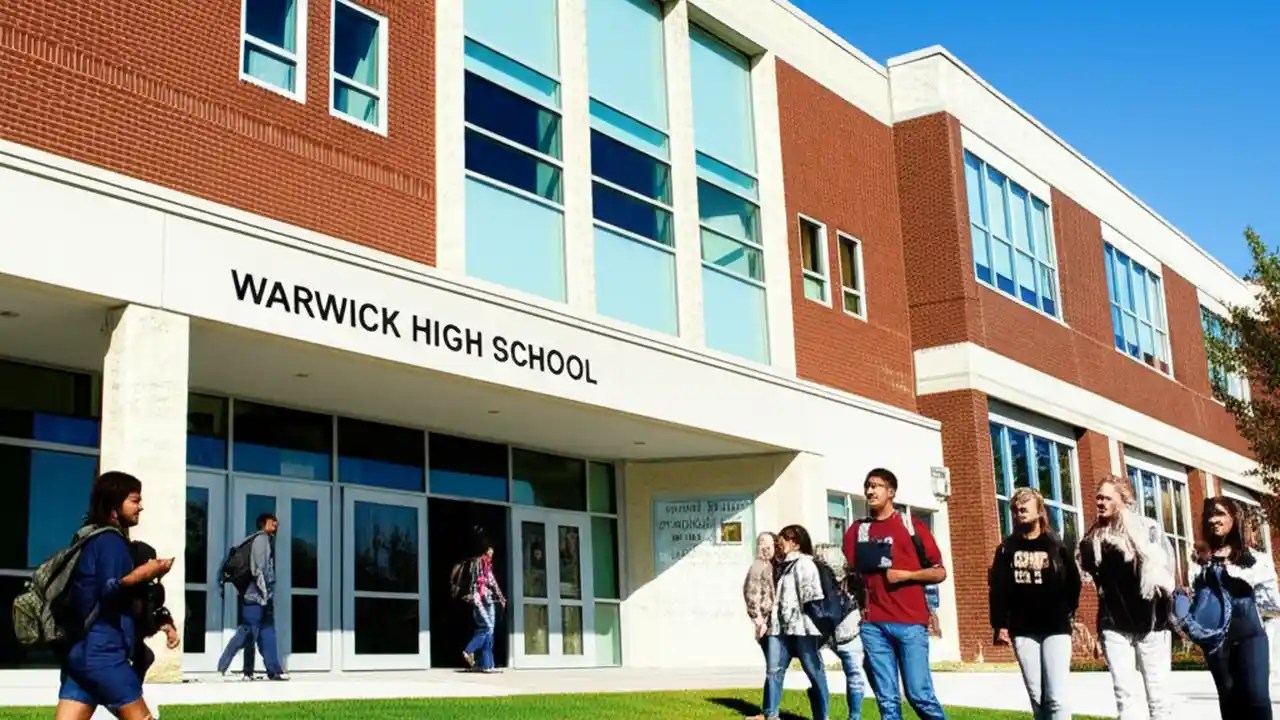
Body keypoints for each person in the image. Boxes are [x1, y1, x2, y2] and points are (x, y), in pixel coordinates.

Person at [55, 471, 173, 720]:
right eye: (134, 500)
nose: (140, 507)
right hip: (104, 652)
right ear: (113, 505)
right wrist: (148, 571)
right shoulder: (111, 541)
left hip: (79, 651)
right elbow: (111, 589)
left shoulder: (90, 539)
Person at [843, 468, 947, 720]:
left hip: (911, 623)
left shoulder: (911, 527)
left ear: (891, 492)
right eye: (867, 486)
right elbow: (853, 572)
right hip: (873, 625)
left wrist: (906, 575)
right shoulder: (858, 531)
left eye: (876, 486)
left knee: (919, 694)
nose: (870, 491)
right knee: (887, 701)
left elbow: (939, 572)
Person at [1078, 475, 1176, 720]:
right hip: (1114, 624)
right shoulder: (1093, 539)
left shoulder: (1147, 529)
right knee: (1125, 696)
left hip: (1152, 623)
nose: (1100, 502)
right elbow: (1092, 576)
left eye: (1107, 497)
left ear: (1123, 499)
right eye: (1098, 497)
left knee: (1159, 697)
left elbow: (1167, 576)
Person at [1172, 497, 1276, 720]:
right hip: (1216, 641)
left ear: (1234, 518)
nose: (1213, 519)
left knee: (1257, 699)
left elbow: (1272, 604)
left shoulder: (1254, 559)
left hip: (1250, 637)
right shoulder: (1201, 562)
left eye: (1219, 513)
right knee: (1229, 701)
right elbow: (1197, 599)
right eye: (1209, 515)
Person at [988, 488, 1082, 720]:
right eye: (1016, 510)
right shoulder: (1006, 549)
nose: (1020, 514)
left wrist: (1069, 611)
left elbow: (1074, 582)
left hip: (1056, 627)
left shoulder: (1056, 546)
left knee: (1055, 697)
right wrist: (1000, 625)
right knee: (1037, 696)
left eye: (1024, 509)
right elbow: (998, 589)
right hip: (1023, 629)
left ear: (1039, 512)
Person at [764, 525, 830, 720]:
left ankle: (823, 715)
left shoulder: (804, 564)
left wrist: (816, 625)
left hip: (802, 628)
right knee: (773, 670)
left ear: (796, 542)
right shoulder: (784, 565)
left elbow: (812, 597)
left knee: (814, 671)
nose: (780, 542)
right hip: (780, 626)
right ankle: (771, 713)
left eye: (785, 538)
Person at [217, 513, 288, 681]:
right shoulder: (261, 540)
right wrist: (264, 594)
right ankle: (226, 666)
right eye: (273, 522)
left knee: (268, 633)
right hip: (254, 596)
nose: (276, 524)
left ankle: (274, 670)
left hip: (262, 597)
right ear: (264, 524)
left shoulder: (267, 540)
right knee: (247, 632)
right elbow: (258, 569)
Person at [816, 544, 865, 720]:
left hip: (845, 631)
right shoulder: (819, 581)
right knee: (820, 675)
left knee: (853, 674)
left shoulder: (851, 583)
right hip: (831, 632)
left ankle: (854, 716)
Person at [126, 540, 181, 681]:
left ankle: (130, 693)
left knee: (145, 657)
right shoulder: (127, 585)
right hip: (112, 640)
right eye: (148, 562)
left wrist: (168, 626)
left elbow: (155, 612)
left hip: (130, 638)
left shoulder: (152, 589)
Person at [743, 531, 779, 720]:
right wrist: (758, 621)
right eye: (761, 544)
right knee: (774, 669)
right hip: (766, 625)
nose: (765, 548)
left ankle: (768, 711)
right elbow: (751, 595)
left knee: (775, 669)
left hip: (775, 624)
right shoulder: (758, 567)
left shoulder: (773, 566)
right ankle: (768, 713)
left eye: (769, 544)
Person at [461, 532, 506, 673]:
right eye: (490, 551)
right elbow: (481, 582)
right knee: (487, 629)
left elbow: (492, 580)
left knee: (488, 631)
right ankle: (469, 650)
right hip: (481, 600)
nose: (492, 554)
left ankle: (486, 663)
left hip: (484, 600)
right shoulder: (479, 563)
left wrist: (500, 596)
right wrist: (496, 596)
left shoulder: (486, 565)